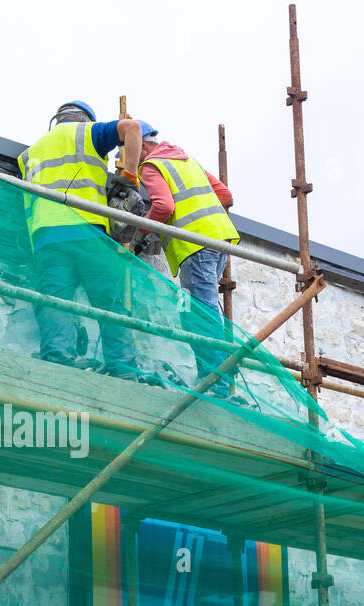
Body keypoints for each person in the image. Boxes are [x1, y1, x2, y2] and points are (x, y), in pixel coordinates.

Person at [18, 101, 150, 381]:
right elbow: (133, 128)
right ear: (84, 120)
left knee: (55, 301)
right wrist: (128, 177)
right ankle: (124, 368)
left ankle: (57, 361)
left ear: (57, 121)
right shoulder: (87, 133)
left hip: (46, 238)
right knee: (109, 301)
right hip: (87, 231)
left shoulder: (29, 154)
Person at [136, 123, 242, 396]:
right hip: (218, 240)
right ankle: (214, 380)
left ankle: (215, 385)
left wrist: (139, 229)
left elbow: (163, 206)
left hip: (194, 246)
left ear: (140, 145)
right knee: (197, 312)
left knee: (200, 314)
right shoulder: (186, 160)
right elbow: (224, 195)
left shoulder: (151, 166)